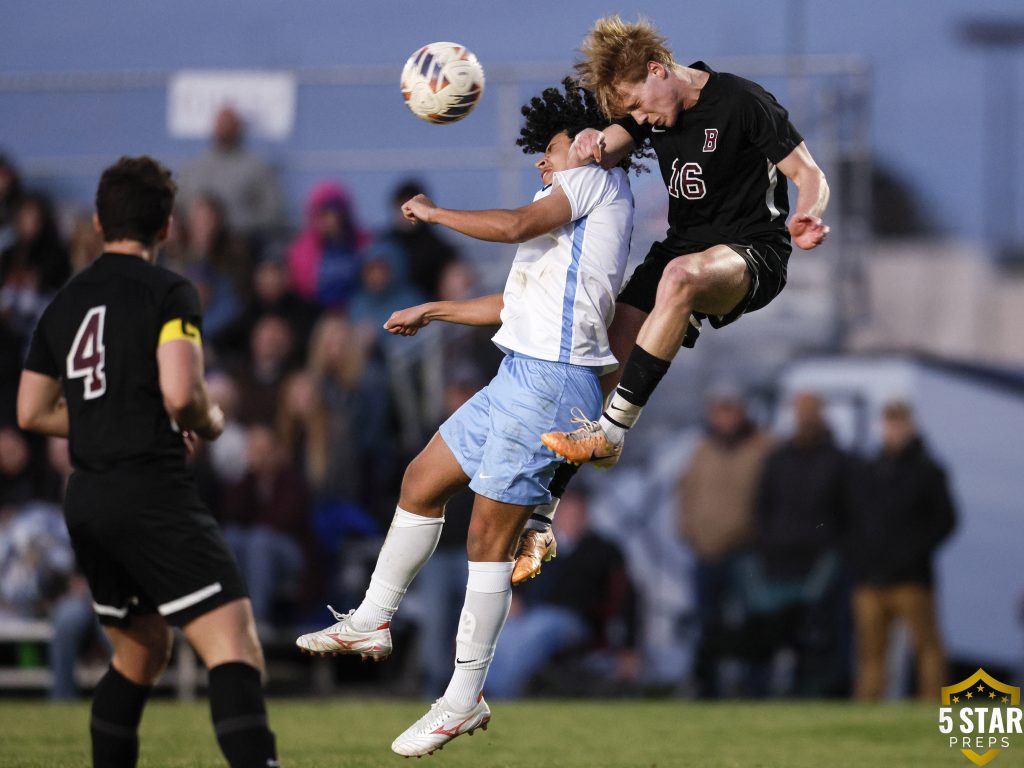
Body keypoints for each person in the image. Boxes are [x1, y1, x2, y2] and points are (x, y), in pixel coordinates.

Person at [295, 78, 645, 757]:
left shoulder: (596, 186)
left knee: (487, 539)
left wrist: (434, 211)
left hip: (553, 384)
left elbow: (511, 225)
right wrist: (435, 310)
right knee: (421, 479)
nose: (542, 164)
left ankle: (462, 698)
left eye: (548, 150)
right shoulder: (565, 201)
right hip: (517, 371)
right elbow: (514, 306)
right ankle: (372, 619)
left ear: (586, 142)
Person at [16, 156, 278, 767]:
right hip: (149, 489)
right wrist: (210, 422)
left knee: (139, 653)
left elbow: (31, 410)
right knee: (233, 641)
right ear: (167, 229)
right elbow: (183, 393)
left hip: (86, 498)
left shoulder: (65, 301)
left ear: (99, 222)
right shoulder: (169, 291)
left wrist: (109, 419)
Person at [541, 15, 830, 466]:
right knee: (595, 374)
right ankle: (541, 519)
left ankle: (612, 435)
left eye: (638, 105)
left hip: (753, 252)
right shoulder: (650, 111)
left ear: (657, 69)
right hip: (682, 248)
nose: (640, 119)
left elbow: (809, 173)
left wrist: (808, 213)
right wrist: (588, 142)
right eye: (631, 113)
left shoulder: (741, 100)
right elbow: (609, 144)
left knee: (679, 276)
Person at [843, 400, 956, 700]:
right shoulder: (868, 470)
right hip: (870, 576)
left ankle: (932, 704)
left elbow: (945, 521)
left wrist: (913, 552)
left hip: (912, 577)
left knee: (927, 647)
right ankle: (867, 707)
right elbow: (850, 518)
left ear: (910, 426)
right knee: (870, 651)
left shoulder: (928, 470)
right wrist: (859, 555)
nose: (893, 430)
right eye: (889, 423)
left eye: (899, 423)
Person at [677, 386, 773, 698]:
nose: (725, 418)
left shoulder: (762, 448)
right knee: (707, 627)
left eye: (731, 410)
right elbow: (686, 494)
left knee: (753, 626)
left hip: (746, 554)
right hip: (705, 554)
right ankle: (707, 690)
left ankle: (756, 690)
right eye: (720, 410)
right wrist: (687, 529)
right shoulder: (702, 450)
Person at [176, 106, 283, 239]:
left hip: (238, 242)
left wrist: (233, 223)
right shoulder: (193, 167)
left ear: (239, 129)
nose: (224, 130)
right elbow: (178, 205)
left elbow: (271, 213)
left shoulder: (256, 168)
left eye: (229, 125)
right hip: (193, 243)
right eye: (220, 124)